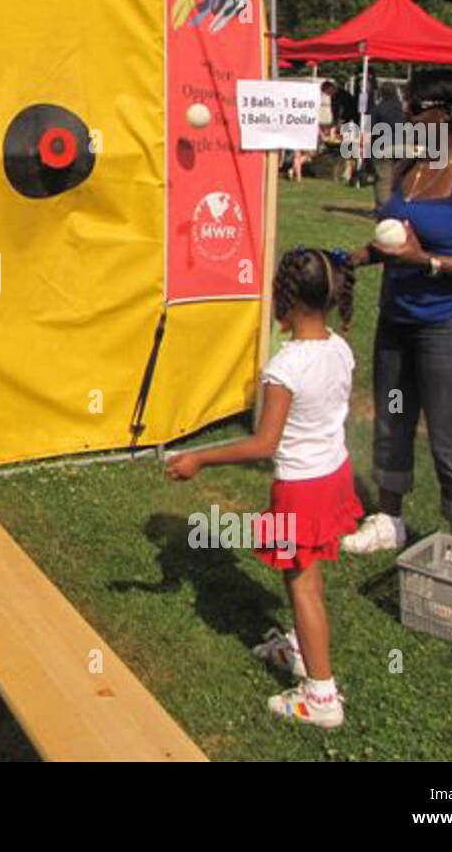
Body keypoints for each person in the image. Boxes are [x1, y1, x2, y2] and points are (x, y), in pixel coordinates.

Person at [166, 247, 360, 728]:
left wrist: (199, 457)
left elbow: (264, 442)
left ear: (286, 300)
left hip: (302, 487)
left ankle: (320, 696)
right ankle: (299, 646)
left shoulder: (285, 368)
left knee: (302, 585)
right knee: (308, 574)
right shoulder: (340, 347)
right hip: (334, 475)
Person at [343, 68, 452, 552]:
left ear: (448, 113)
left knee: (448, 433)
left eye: (416, 108)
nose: (406, 115)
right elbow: (394, 238)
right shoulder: (408, 168)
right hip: (397, 318)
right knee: (392, 419)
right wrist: (357, 258)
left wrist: (427, 261)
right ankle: (388, 519)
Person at [368, 81, 405, 208]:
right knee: (401, 178)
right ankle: (400, 206)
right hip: (404, 146)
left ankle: (383, 209)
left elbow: (370, 130)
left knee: (383, 179)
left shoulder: (377, 109)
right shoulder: (404, 108)